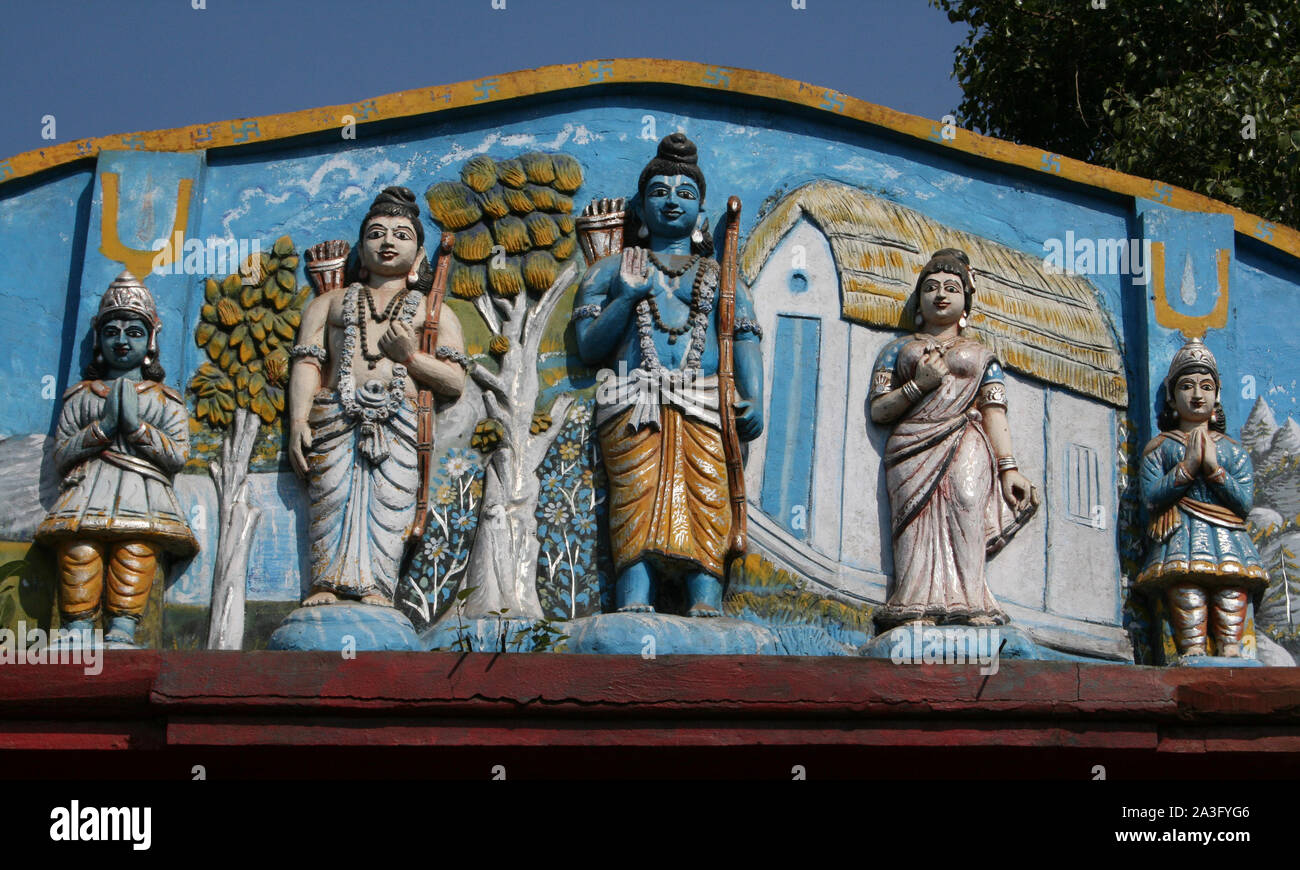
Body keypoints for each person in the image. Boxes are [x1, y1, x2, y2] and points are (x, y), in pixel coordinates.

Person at [574, 133, 763, 616]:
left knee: (707, 493)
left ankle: (706, 597)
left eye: (685, 193)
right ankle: (633, 598)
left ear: (702, 213)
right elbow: (590, 346)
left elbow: (743, 337)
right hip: (634, 402)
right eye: (659, 192)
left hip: (704, 402)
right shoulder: (611, 270)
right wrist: (628, 297)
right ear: (638, 206)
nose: (672, 201)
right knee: (636, 495)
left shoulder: (721, 276)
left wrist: (754, 396)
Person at [289, 187, 466, 607]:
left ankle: (378, 586)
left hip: (400, 424)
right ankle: (325, 582)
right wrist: (297, 420)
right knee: (331, 497)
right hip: (335, 418)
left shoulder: (433, 311)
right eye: (377, 233)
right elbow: (308, 362)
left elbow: (454, 380)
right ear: (360, 248)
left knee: (390, 504)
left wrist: (411, 359)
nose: (388, 242)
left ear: (420, 255)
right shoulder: (328, 303)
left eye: (402, 235)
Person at [869, 249, 1037, 628]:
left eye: (951, 288)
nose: (940, 295)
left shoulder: (982, 356)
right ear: (918, 303)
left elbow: (994, 410)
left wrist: (1009, 468)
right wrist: (917, 387)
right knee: (914, 519)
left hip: (966, 439)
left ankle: (972, 602)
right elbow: (879, 410)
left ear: (965, 305)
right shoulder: (895, 350)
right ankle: (913, 604)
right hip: (911, 447)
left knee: (967, 505)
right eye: (930, 288)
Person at [35, 272, 199, 645]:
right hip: (86, 491)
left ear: (151, 339)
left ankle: (122, 628)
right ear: (99, 339)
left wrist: (136, 428)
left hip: (143, 492)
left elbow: (176, 455)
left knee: (136, 551)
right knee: (79, 550)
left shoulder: (165, 400)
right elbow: (62, 454)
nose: (122, 341)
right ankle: (77, 627)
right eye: (112, 333)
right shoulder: (80, 396)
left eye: (134, 333)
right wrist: (104, 428)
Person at [1137, 337, 1266, 659]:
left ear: (1217, 395)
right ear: (1171, 395)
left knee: (1231, 593)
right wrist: (1187, 468)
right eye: (1187, 387)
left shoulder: (1232, 451)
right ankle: (1192, 652)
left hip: (1227, 536)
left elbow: (1244, 503)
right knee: (1187, 593)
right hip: (1181, 534)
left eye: (1206, 387)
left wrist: (1213, 470)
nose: (1197, 396)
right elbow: (1152, 497)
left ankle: (1230, 652)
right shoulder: (1162, 448)